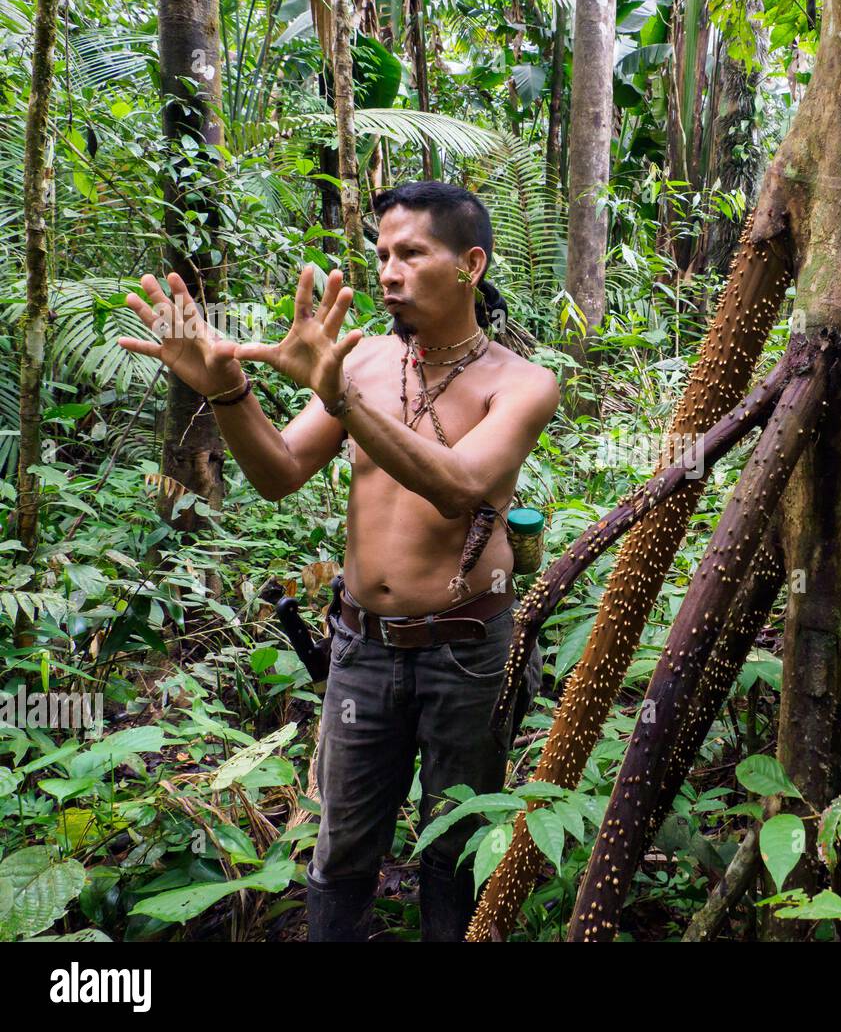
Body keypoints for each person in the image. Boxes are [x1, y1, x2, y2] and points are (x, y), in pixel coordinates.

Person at [117, 181, 561, 941]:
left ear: (471, 265)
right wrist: (228, 390)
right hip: (361, 646)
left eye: (411, 253)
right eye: (382, 254)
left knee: (455, 849)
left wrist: (344, 400)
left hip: (468, 649)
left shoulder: (522, 383)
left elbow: (459, 487)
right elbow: (281, 471)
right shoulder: (364, 361)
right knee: (343, 848)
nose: (389, 271)